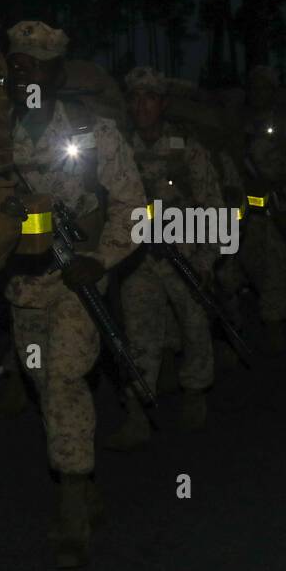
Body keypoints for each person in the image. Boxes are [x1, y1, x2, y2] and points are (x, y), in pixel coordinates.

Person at [3, 20, 146, 568]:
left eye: (37, 65)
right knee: (42, 384)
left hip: (76, 279)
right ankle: (82, 480)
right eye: (17, 65)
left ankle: (70, 505)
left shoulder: (93, 131)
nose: (26, 75)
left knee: (64, 380)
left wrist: (101, 259)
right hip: (22, 282)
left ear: (57, 73)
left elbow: (134, 207)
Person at [112, 66, 225, 448]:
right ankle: (138, 413)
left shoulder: (187, 147)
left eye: (149, 97)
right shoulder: (120, 148)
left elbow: (212, 204)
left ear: (162, 104)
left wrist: (206, 261)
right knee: (139, 334)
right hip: (138, 259)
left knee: (194, 325)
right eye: (136, 97)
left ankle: (195, 392)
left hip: (185, 254)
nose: (141, 104)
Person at [215, 67, 286, 352]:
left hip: (275, 209)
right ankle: (233, 332)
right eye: (254, 87)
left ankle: (274, 329)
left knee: (275, 268)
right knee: (230, 271)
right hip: (241, 212)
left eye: (264, 87)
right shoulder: (237, 124)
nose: (258, 93)